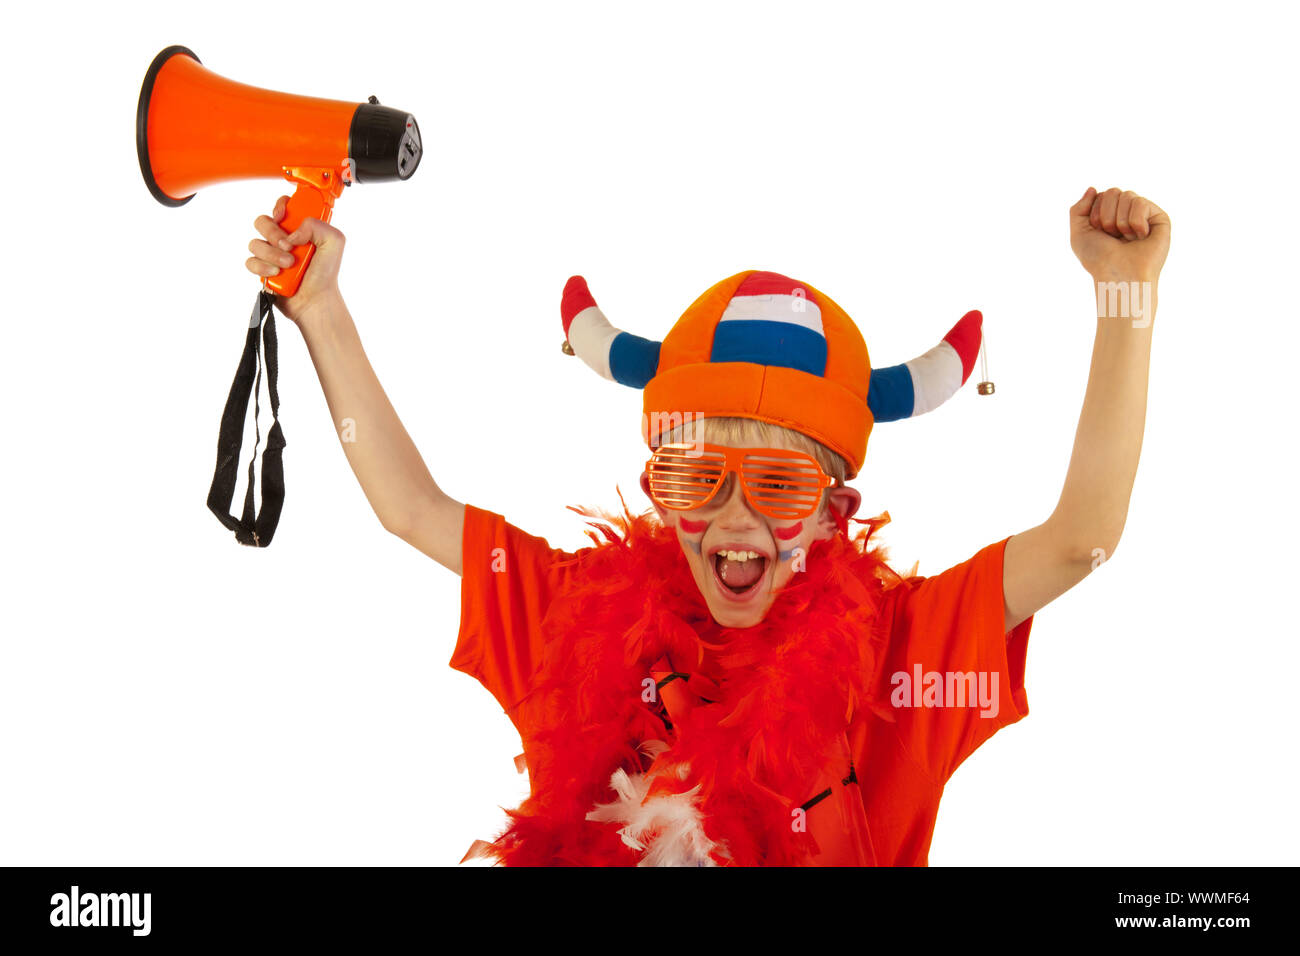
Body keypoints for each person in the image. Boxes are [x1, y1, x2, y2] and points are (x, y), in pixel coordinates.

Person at [243, 186, 1170, 865]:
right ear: (659, 491)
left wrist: (1126, 295)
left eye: (778, 484)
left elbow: (1083, 537)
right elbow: (411, 509)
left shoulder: (901, 650)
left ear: (836, 511)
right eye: (696, 477)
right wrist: (318, 308)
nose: (735, 516)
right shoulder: (578, 619)